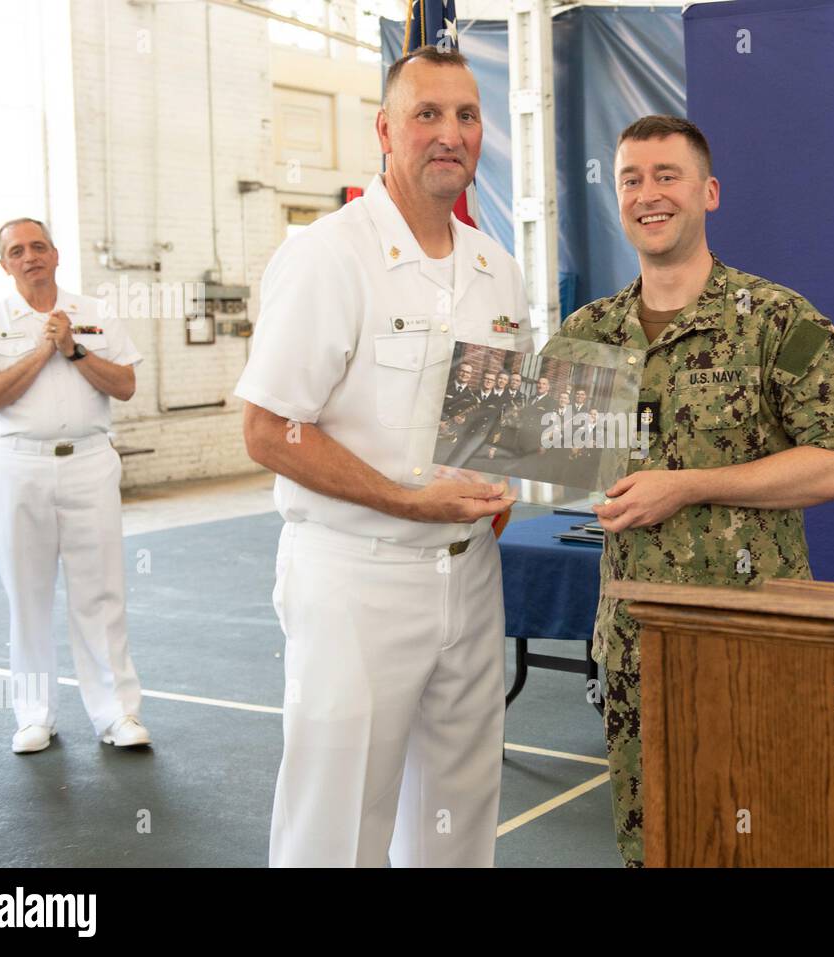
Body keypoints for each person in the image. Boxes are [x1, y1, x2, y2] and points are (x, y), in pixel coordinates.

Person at [549, 115, 834, 866]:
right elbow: (537, 449)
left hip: (754, 640)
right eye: (631, 178)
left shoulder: (778, 322)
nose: (648, 194)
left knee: (769, 841)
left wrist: (689, 485)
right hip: (635, 645)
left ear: (709, 191)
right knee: (653, 845)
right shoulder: (588, 334)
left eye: (667, 175)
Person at [235, 46, 531, 868]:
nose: (450, 134)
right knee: (336, 823)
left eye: (467, 115)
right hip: (356, 578)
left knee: (459, 812)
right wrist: (407, 501)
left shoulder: (496, 269)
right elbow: (267, 429)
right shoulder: (329, 254)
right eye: (427, 115)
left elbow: (490, 424)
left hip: (469, 577)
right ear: (384, 130)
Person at [0, 218, 150, 753]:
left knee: (101, 591)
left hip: (90, 462)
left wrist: (73, 349)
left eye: (38, 246)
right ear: (4, 264)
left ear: (56, 254)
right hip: (18, 466)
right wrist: (42, 350)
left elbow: (127, 385)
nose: (29, 256)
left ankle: (117, 715)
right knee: (28, 593)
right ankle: (34, 715)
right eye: (17, 250)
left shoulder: (95, 314)